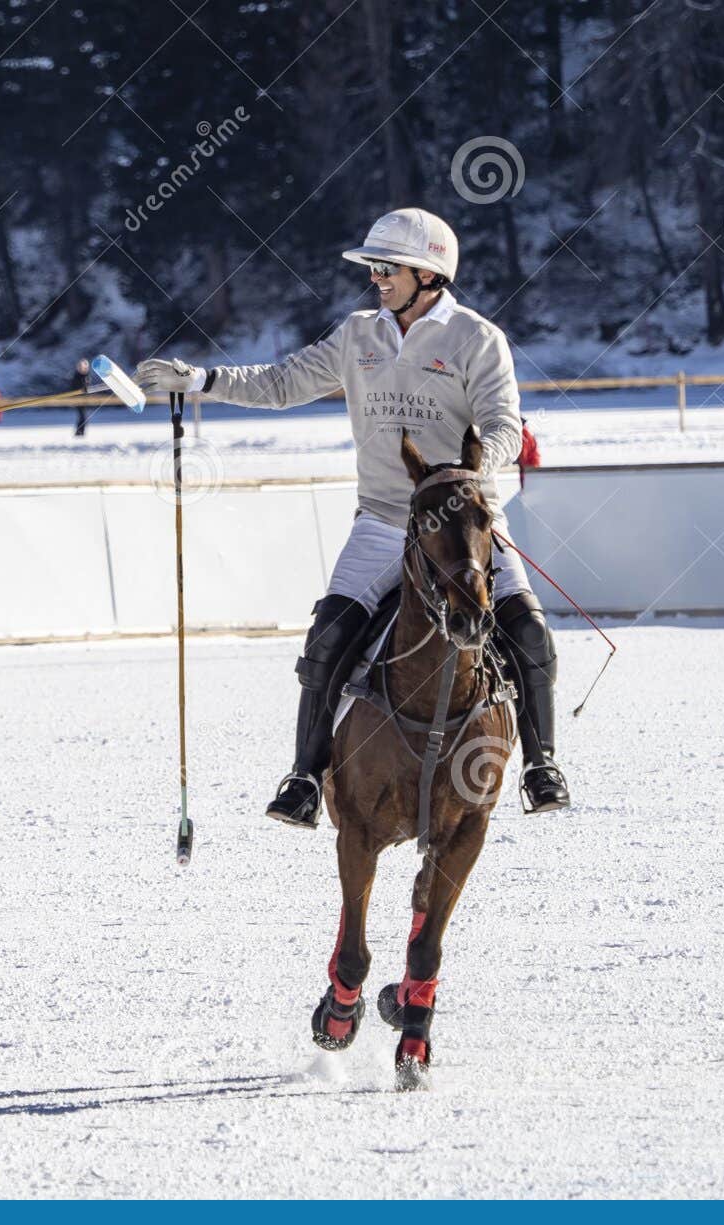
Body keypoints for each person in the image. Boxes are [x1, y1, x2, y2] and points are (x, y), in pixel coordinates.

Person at [135, 207, 571, 829]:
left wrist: (471, 475)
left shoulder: (477, 339)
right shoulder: (357, 334)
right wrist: (201, 379)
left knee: (527, 629)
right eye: (372, 267)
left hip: (460, 523)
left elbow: (503, 424)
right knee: (329, 635)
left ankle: (540, 764)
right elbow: (284, 382)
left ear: (429, 274)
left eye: (386, 267)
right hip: (386, 519)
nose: (376, 278)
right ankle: (306, 777)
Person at [71, 359, 92, 437]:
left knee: (83, 416)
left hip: (84, 399)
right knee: (82, 416)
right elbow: (74, 387)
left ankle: (80, 431)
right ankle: (79, 432)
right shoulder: (77, 376)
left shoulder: (87, 376)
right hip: (78, 399)